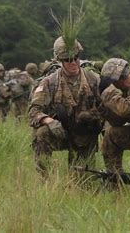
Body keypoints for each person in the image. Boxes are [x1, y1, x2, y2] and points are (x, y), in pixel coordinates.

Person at [28, 36, 103, 175]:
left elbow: (107, 106)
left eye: (76, 57)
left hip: (85, 134)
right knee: (41, 134)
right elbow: (34, 111)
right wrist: (48, 121)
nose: (73, 62)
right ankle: (46, 180)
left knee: (83, 180)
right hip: (60, 131)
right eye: (67, 60)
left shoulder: (93, 79)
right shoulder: (49, 82)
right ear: (59, 61)